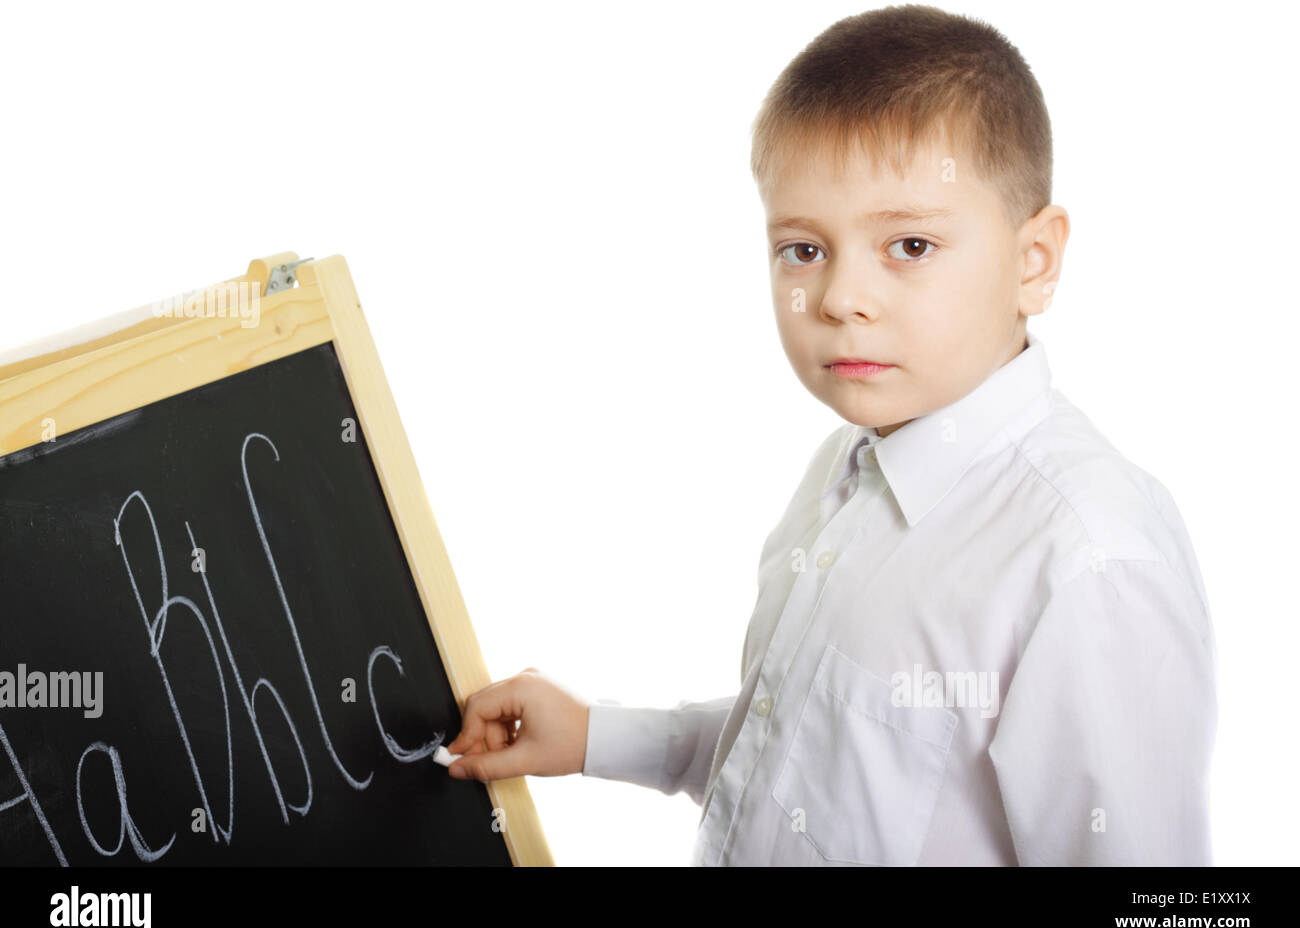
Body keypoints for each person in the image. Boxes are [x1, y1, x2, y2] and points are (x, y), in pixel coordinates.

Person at [444, 4, 1217, 866]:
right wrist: (598, 737)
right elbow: (807, 759)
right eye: (803, 250)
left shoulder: (1085, 558)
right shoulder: (849, 466)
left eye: (911, 244)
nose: (843, 297)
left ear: (1034, 261)